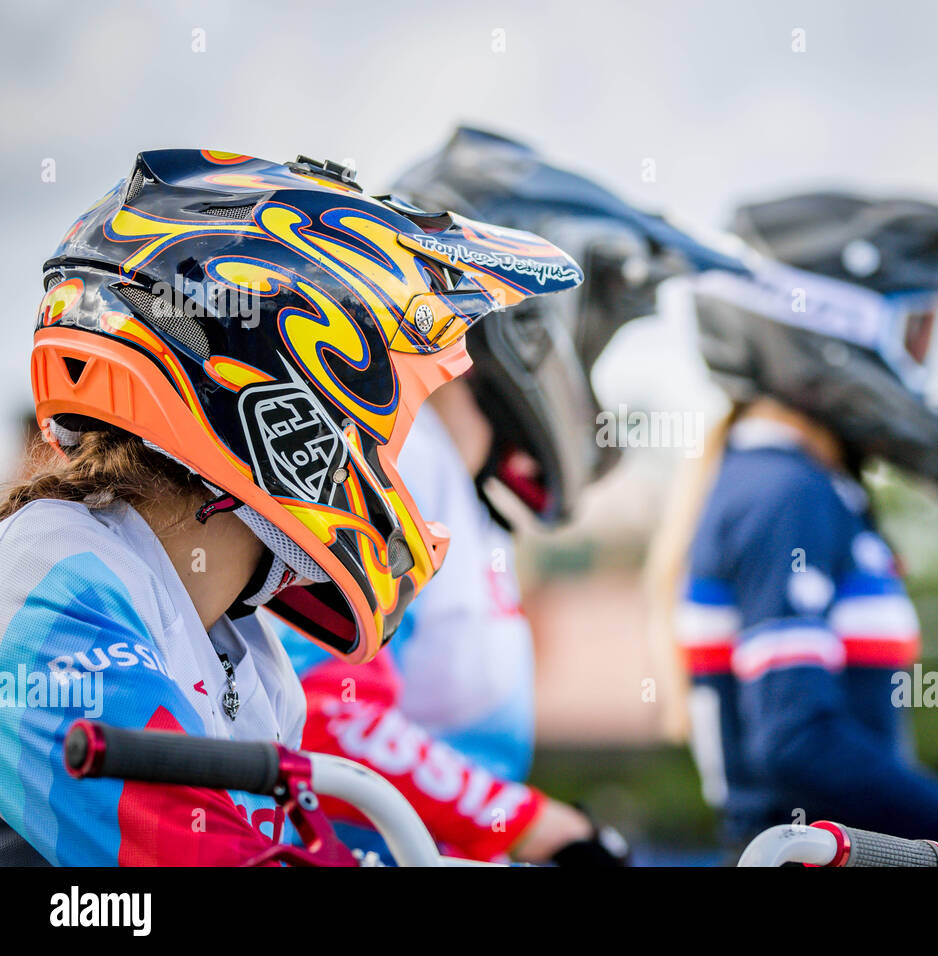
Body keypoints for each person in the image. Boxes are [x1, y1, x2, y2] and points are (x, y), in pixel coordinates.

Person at [0, 148, 579, 866]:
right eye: (397, 415)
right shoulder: (50, 576)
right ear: (289, 399)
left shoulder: (246, 652)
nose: (396, 454)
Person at [281, 127, 743, 863]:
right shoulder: (398, 457)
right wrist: (539, 825)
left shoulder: (462, 488)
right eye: (585, 340)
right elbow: (330, 720)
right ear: (526, 326)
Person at [650, 191, 938, 865]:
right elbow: (796, 741)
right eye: (911, 330)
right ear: (830, 331)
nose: (921, 366)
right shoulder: (784, 493)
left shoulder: (794, 484)